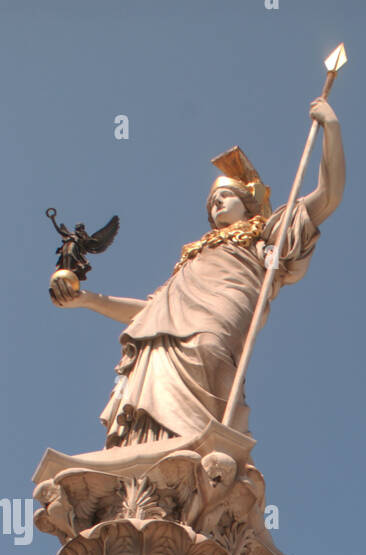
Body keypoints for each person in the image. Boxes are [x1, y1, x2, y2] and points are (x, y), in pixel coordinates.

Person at [51, 99, 345, 447]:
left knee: (209, 349)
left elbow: (328, 196)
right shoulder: (192, 257)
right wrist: (87, 299)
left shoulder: (267, 234)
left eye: (224, 196)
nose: (216, 203)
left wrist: (331, 127)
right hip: (166, 339)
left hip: (222, 315)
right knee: (149, 390)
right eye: (211, 202)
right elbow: (151, 312)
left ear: (246, 202)